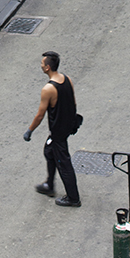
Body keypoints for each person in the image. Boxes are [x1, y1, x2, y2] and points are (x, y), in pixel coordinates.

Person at [23, 51, 82, 207]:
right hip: (67, 126)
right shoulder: (67, 79)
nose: (41, 65)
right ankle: (49, 184)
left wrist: (30, 130)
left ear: (47, 67)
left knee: (64, 163)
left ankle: (73, 198)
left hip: (58, 132)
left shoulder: (48, 89)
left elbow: (40, 115)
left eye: (42, 63)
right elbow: (73, 103)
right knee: (49, 152)